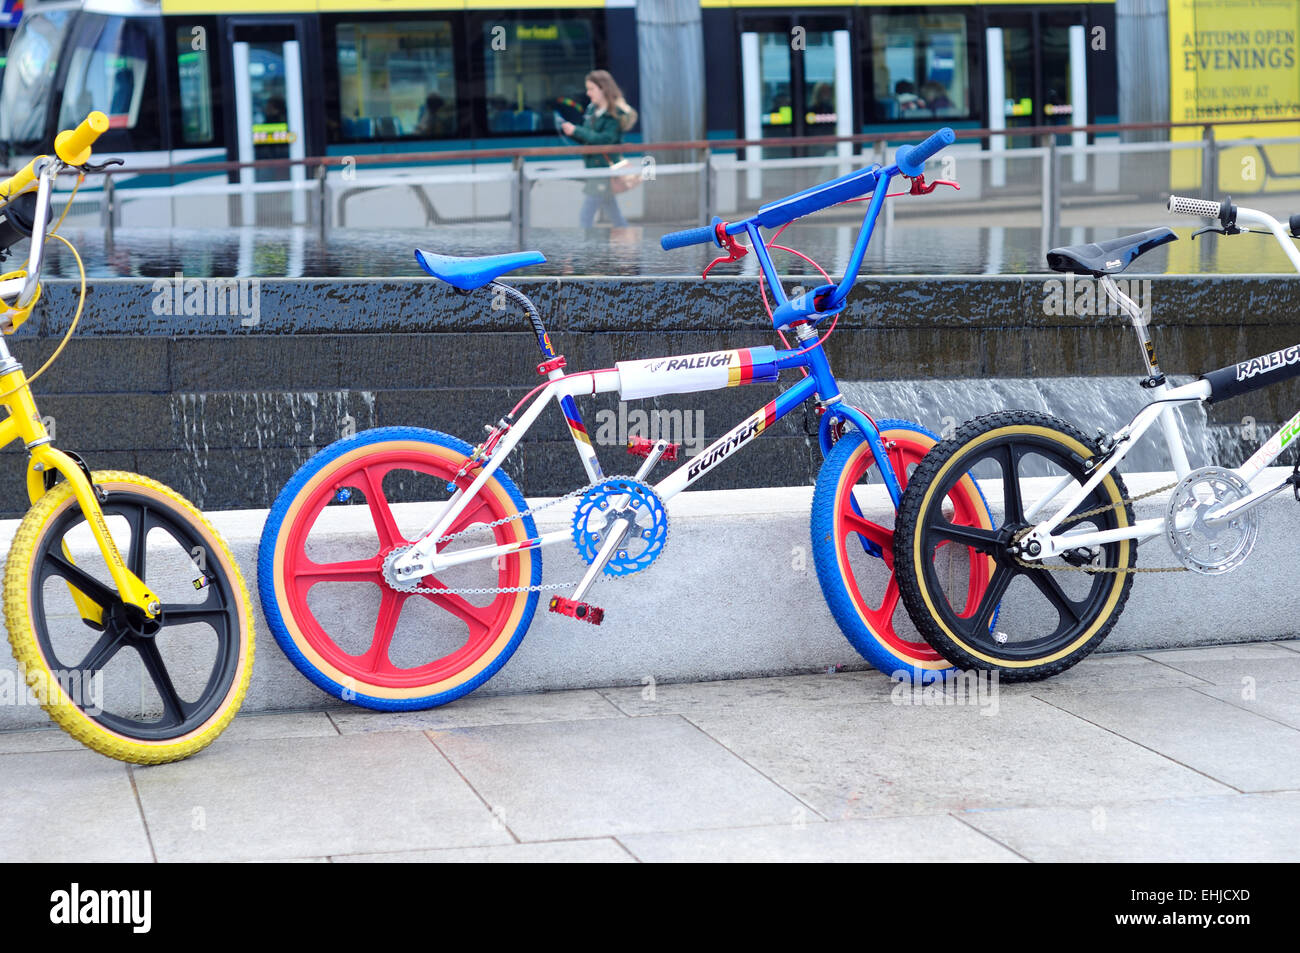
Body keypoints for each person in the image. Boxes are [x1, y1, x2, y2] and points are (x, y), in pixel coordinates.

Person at [560, 70, 638, 228]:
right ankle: (629, 246)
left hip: (604, 172)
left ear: (603, 88)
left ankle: (590, 249)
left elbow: (604, 140)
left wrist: (576, 130)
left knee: (585, 217)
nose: (588, 93)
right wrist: (571, 132)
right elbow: (588, 137)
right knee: (615, 216)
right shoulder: (592, 110)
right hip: (595, 170)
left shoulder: (615, 114)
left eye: (591, 89)